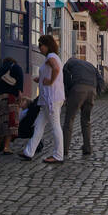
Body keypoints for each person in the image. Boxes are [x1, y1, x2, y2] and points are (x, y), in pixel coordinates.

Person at [20, 34, 65, 163]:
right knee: (38, 125)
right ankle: (28, 152)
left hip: (51, 98)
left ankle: (58, 155)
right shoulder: (52, 57)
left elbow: (56, 69)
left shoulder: (51, 57)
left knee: (55, 125)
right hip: (47, 99)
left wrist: (50, 81)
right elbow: (52, 72)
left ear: (47, 45)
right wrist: (40, 79)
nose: (40, 48)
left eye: (41, 45)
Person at [62, 55, 99, 157]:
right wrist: (96, 93)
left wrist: (67, 94)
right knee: (86, 120)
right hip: (92, 90)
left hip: (78, 89)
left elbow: (65, 80)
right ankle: (87, 148)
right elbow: (100, 79)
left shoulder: (69, 64)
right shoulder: (90, 65)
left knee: (69, 120)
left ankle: (64, 149)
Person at [0, 56, 25, 152]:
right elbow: (20, 84)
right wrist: (20, 97)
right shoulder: (16, 67)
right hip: (10, 99)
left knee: (0, 122)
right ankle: (6, 147)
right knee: (10, 122)